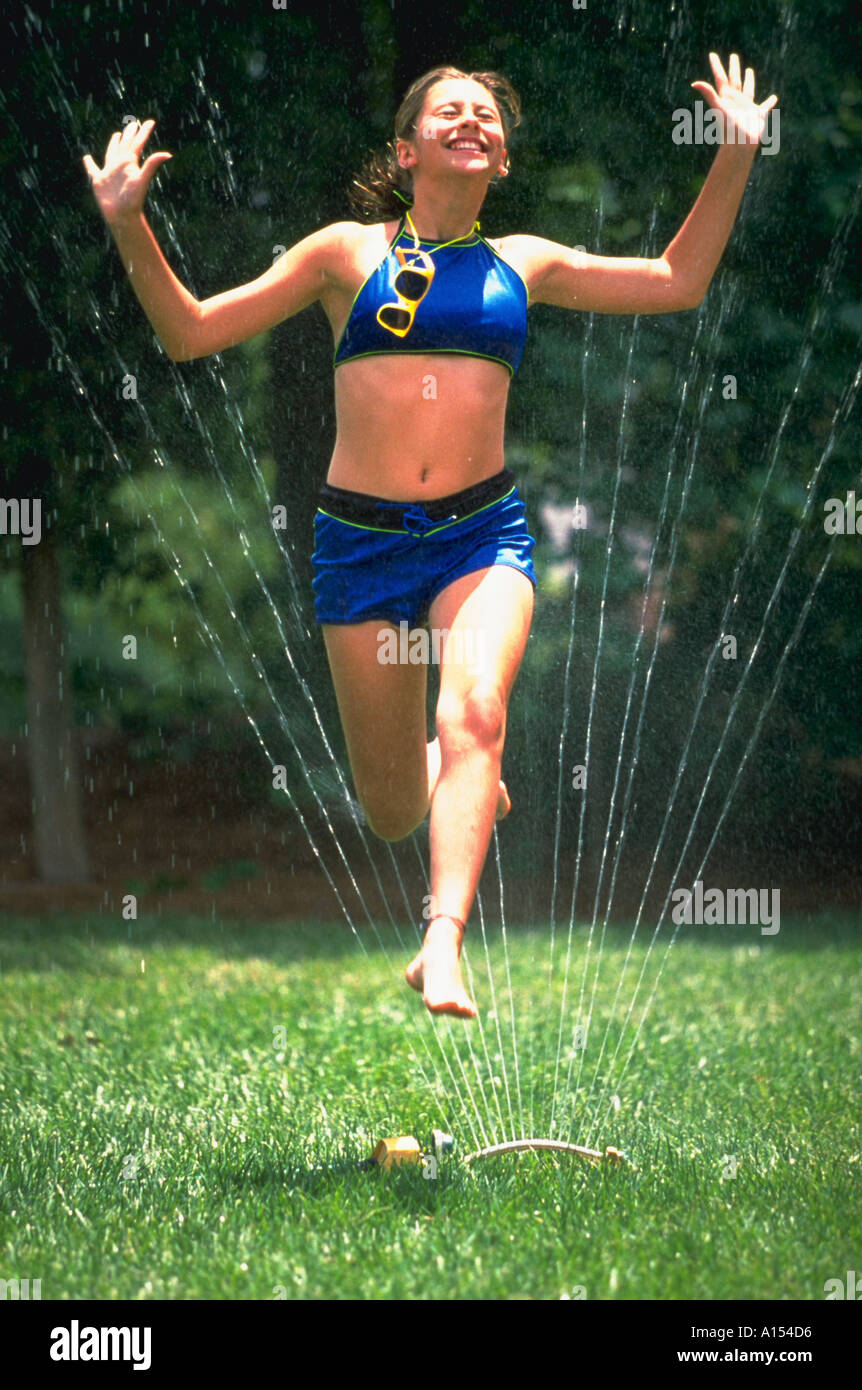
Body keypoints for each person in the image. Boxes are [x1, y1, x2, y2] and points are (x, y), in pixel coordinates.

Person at [83, 54, 777, 1020]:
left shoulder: (521, 264)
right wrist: (127, 223)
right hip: (359, 547)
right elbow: (192, 331)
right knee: (391, 808)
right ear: (407, 152)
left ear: (497, 159)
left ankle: (441, 942)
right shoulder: (345, 255)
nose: (472, 122)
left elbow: (676, 279)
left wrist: (736, 153)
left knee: (477, 713)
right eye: (448, 111)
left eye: (487, 117)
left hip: (478, 539)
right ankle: (461, 781)